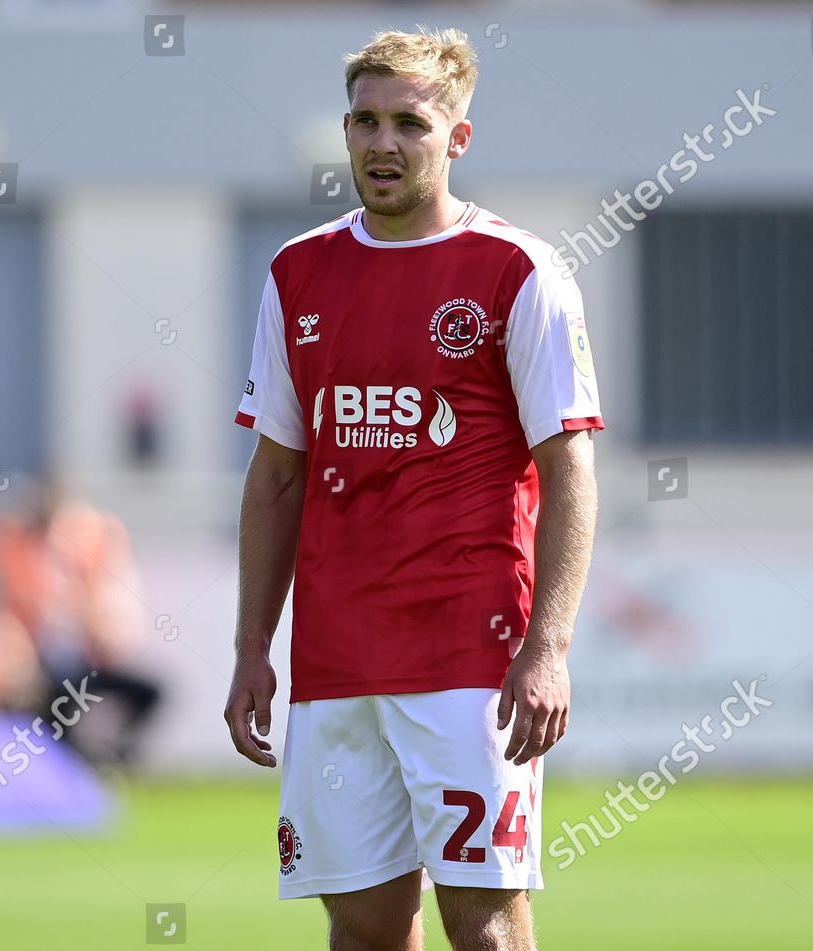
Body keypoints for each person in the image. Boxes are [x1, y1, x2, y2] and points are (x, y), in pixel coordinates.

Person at [225, 27, 602, 951]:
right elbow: (277, 474)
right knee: (361, 929)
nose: (382, 143)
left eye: (409, 123)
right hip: (335, 660)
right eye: (364, 121)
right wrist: (249, 647)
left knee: (484, 923)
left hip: (469, 660)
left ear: (456, 138)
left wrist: (548, 645)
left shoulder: (520, 272)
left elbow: (569, 471)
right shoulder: (297, 272)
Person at [0, 484, 160, 770]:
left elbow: (107, 621)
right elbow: (9, 624)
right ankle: (62, 766)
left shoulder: (86, 551)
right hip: (46, 667)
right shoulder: (21, 558)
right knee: (48, 710)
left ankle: (116, 753)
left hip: (87, 665)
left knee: (146, 691)